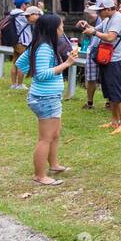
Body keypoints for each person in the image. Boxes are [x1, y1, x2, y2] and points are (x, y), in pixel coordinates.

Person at [15, 13, 77, 185]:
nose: (62, 29)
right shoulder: (44, 48)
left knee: (55, 134)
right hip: (44, 98)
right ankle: (39, 175)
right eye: (61, 26)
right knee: (45, 138)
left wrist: (33, 67)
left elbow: (21, 63)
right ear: (53, 28)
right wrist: (66, 64)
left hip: (50, 97)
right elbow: (41, 75)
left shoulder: (42, 45)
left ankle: (54, 165)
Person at [77, 0, 121, 132]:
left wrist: (94, 32)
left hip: (115, 61)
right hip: (107, 60)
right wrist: (86, 26)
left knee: (119, 93)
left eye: (100, 10)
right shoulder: (107, 19)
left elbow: (111, 37)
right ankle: (114, 121)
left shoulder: (118, 19)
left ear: (107, 9)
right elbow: (96, 29)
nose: (98, 13)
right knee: (110, 93)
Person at [3, 0, 32, 89]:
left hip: (16, 41)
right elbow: (36, 20)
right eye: (28, 3)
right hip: (23, 42)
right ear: (23, 5)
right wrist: (40, 9)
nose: (29, 5)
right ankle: (19, 84)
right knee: (22, 63)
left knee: (15, 62)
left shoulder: (13, 13)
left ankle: (13, 84)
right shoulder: (22, 15)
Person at [79, 9, 99, 109]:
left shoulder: (113, 19)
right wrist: (86, 25)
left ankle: (109, 102)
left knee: (106, 78)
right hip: (93, 49)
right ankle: (90, 102)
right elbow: (95, 29)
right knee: (91, 78)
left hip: (107, 50)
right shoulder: (100, 20)